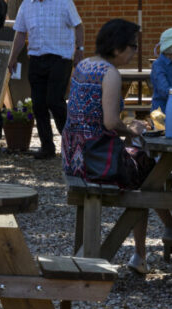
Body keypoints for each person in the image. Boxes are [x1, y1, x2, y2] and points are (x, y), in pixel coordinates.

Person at [62, 18, 154, 273]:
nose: (135, 51)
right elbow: (111, 122)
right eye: (132, 46)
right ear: (117, 48)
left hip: (73, 157)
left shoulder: (83, 65)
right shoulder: (110, 73)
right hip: (97, 161)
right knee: (148, 169)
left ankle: (164, 235)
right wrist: (132, 128)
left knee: (143, 168)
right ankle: (140, 254)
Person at [9, 0, 84, 158]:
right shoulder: (26, 4)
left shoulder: (63, 0)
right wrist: (12, 57)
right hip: (36, 59)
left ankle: (72, 142)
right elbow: (19, 34)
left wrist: (80, 49)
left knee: (55, 100)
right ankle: (47, 147)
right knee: (39, 104)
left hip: (60, 58)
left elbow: (78, 25)